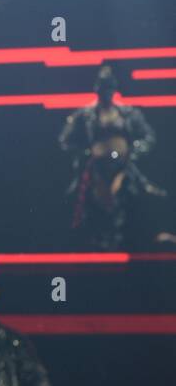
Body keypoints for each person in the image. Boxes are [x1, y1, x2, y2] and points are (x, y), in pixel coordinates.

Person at [59, 65, 164, 250]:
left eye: (108, 89)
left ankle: (137, 237)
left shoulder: (128, 114)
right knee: (87, 202)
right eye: (102, 89)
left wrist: (134, 152)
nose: (105, 93)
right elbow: (65, 140)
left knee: (135, 195)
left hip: (123, 167)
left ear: (113, 90)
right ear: (96, 90)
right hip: (96, 167)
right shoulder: (85, 115)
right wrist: (85, 154)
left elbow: (148, 136)